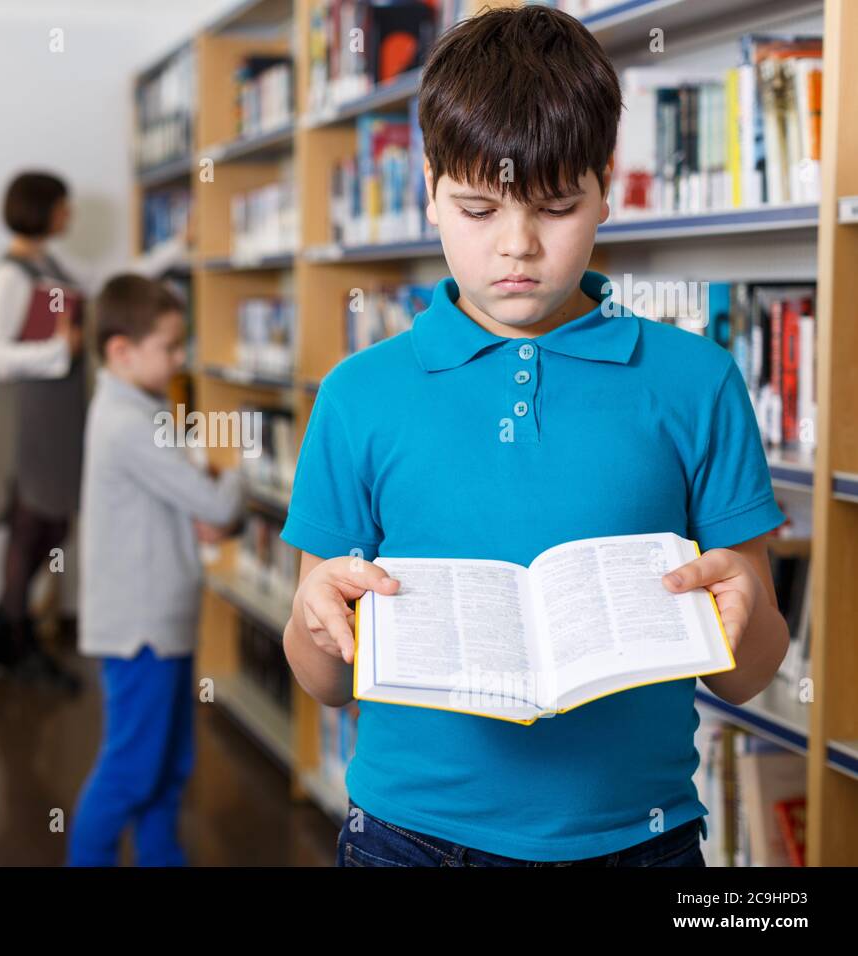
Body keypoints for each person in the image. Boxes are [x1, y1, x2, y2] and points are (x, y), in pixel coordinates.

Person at [281, 5, 790, 868]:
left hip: (642, 841)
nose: (516, 248)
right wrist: (312, 615)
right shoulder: (357, 395)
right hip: (409, 839)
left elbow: (747, 671)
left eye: (555, 207)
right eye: (478, 209)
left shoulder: (695, 381)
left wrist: (740, 621)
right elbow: (325, 683)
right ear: (430, 192)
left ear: (603, 189)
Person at [68, 274, 243, 867]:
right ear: (121, 351)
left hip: (160, 618)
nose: (180, 358)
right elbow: (217, 505)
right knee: (133, 771)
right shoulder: (128, 422)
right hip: (140, 627)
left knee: (170, 766)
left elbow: (186, 504)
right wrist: (239, 461)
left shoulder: (136, 407)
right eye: (169, 347)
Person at [0, 171, 86, 691]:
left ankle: (1, 632)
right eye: (64, 206)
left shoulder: (49, 265)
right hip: (26, 415)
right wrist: (61, 351)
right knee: (30, 526)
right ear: (43, 209)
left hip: (55, 415)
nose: (70, 214)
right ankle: (18, 644)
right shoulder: (10, 275)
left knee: (51, 525)